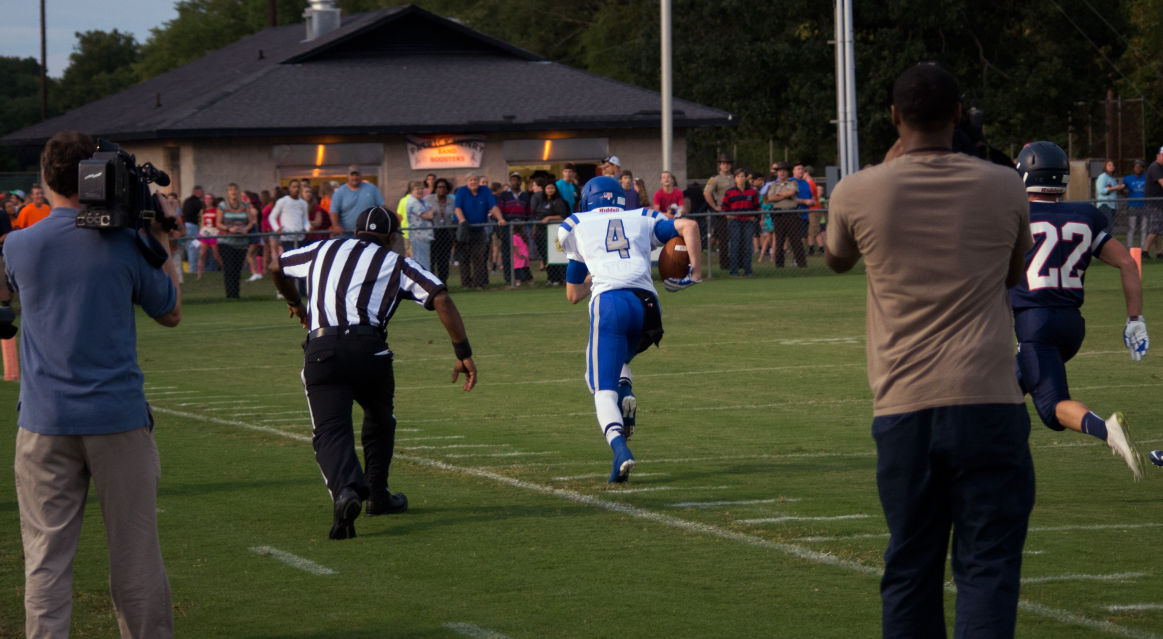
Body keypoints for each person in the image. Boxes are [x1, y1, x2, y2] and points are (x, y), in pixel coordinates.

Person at [825, 63, 1035, 638]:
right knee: (987, 567)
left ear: (894, 117)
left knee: (911, 569)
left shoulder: (858, 189)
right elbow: (1013, 272)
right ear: (959, 115)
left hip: (904, 404)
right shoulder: (1004, 185)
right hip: (990, 398)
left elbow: (836, 258)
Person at [4, 130, 182, 638]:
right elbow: (170, 311)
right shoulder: (126, 243)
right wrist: (162, 233)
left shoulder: (19, 244)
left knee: (46, 560)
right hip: (118, 420)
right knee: (136, 555)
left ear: (46, 178)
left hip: (43, 422)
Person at [270, 206, 477, 539]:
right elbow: (440, 297)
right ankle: (378, 496)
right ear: (392, 238)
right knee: (380, 419)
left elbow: (275, 265)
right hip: (370, 350)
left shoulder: (324, 248)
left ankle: (346, 491)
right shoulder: (395, 262)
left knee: (330, 429)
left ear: (355, 232)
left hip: (322, 349)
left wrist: (295, 302)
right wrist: (462, 352)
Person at [1011, 141, 1147, 479]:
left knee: (1050, 405)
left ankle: (1106, 430)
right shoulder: (1084, 216)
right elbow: (1128, 264)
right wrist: (1135, 319)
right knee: (1001, 390)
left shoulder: (1013, 217)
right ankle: (973, 456)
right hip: (1072, 327)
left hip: (1035, 324)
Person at [556, 176, 702, 483]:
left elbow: (572, 295)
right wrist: (694, 274)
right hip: (647, 304)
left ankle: (620, 449)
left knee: (600, 386)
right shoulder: (643, 216)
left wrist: (595, 275)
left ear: (587, 200)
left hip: (610, 302)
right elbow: (689, 226)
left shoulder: (576, 223)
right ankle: (626, 392)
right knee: (615, 360)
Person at [453, 173, 507, 289]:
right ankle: (466, 284)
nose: (473, 182)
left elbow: (493, 206)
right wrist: (462, 221)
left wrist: (500, 218)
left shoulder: (485, 190)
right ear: (467, 182)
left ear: (478, 181)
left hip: (479, 230)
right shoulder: (461, 191)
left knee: (479, 257)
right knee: (464, 258)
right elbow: (457, 208)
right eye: (471, 180)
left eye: (475, 180)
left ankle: (479, 284)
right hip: (465, 229)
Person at [215, 183, 253, 298]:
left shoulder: (245, 205)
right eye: (231, 190)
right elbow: (218, 223)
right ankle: (229, 295)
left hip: (241, 242)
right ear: (227, 193)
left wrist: (246, 228)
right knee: (229, 268)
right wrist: (228, 228)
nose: (233, 192)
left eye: (235, 189)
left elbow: (251, 221)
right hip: (226, 241)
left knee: (237, 269)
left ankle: (236, 295)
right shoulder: (222, 206)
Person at [531, 178, 571, 285]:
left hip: (554, 234)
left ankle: (559, 278)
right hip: (541, 233)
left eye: (552, 188)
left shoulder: (559, 201)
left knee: (556, 257)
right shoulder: (541, 201)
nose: (549, 190)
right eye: (547, 188)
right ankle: (551, 278)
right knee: (545, 256)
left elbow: (563, 216)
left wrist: (549, 217)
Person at [765, 162, 804, 267]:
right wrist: (784, 194)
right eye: (779, 171)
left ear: (787, 172)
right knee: (779, 241)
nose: (781, 173)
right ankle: (779, 265)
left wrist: (778, 194)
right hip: (779, 214)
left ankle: (801, 264)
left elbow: (792, 192)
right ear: (777, 173)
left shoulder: (793, 183)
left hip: (791, 213)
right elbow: (770, 198)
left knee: (795, 240)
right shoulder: (773, 185)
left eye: (784, 171)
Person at [722, 168, 759, 277]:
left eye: (743, 176)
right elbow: (724, 207)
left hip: (748, 222)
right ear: (735, 179)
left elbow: (757, 207)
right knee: (734, 246)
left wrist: (755, 217)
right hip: (734, 222)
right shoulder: (729, 192)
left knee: (747, 246)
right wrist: (728, 215)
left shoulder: (752, 192)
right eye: (738, 176)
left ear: (746, 178)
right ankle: (734, 271)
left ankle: (748, 271)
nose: (741, 179)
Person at [496, 172, 532, 283]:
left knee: (523, 253)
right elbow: (500, 211)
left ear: (520, 181)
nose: (515, 182)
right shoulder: (504, 195)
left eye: (517, 180)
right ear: (510, 181)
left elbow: (528, 212)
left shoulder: (525, 195)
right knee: (507, 253)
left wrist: (528, 226)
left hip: (521, 228)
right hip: (508, 227)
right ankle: (509, 278)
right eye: (513, 180)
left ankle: (523, 277)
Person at [329, 165, 385, 235]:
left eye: (357, 175)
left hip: (369, 232)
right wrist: (336, 226)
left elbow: (382, 206)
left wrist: (380, 223)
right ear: (347, 176)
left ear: (361, 175)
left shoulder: (372, 188)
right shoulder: (339, 192)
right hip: (346, 235)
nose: (355, 177)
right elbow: (334, 211)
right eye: (352, 175)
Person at [703, 153, 734, 271]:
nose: (725, 165)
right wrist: (715, 206)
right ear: (720, 165)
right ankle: (724, 265)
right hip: (723, 212)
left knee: (737, 239)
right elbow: (706, 192)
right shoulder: (714, 178)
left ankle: (737, 263)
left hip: (736, 211)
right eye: (723, 163)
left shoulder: (735, 177)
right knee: (724, 239)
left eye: (728, 163)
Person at [424, 177, 457, 283]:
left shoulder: (452, 200)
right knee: (432, 258)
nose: (441, 189)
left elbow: (455, 213)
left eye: (444, 187)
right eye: (439, 187)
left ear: (447, 189)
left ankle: (443, 282)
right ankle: (432, 282)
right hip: (433, 231)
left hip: (447, 232)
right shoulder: (428, 199)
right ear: (435, 188)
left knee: (443, 259)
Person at [404, 180, 434, 270]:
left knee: (425, 261)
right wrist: (430, 212)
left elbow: (433, 209)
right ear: (411, 191)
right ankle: (421, 282)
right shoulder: (413, 202)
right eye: (417, 189)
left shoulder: (422, 201)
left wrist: (431, 211)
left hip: (424, 235)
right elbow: (429, 215)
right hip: (417, 236)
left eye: (421, 189)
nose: (420, 191)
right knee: (420, 262)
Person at [1094, 159, 1124, 233]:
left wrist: (1119, 187)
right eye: (1109, 165)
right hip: (1105, 204)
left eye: (1113, 165)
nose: (1112, 167)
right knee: (1107, 227)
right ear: (1105, 167)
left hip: (1112, 205)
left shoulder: (1113, 178)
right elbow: (1101, 190)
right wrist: (1115, 187)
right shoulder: (1103, 176)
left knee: (1110, 227)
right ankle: (1103, 243)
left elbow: (1114, 191)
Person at [1144, 146, 1163, 259]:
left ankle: (1158, 252)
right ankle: (1144, 251)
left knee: (1158, 229)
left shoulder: (1161, 167)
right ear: (1158, 156)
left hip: (1158, 203)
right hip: (1154, 203)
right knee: (1155, 229)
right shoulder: (1155, 167)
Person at [197, 193, 222, 278]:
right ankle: (199, 274)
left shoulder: (216, 210)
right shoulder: (203, 210)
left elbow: (218, 223)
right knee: (202, 254)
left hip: (213, 234)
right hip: (205, 234)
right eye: (206, 198)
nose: (207, 200)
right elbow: (202, 224)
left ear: (212, 200)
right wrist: (200, 233)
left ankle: (225, 270)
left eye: (209, 198)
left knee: (216, 255)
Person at [1123, 159, 1147, 249]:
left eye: (1139, 167)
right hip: (1132, 205)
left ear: (1142, 168)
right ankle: (1129, 247)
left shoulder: (1146, 177)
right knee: (1131, 227)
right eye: (1136, 167)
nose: (1137, 168)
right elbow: (1121, 187)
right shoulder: (1128, 178)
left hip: (1144, 206)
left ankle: (1143, 248)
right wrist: (1126, 195)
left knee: (1143, 228)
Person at [181, 185, 204, 269]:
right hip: (192, 226)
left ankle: (192, 266)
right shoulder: (196, 202)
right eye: (201, 192)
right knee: (193, 246)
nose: (203, 194)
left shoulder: (187, 201)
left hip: (187, 225)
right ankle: (193, 267)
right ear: (196, 192)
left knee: (191, 246)